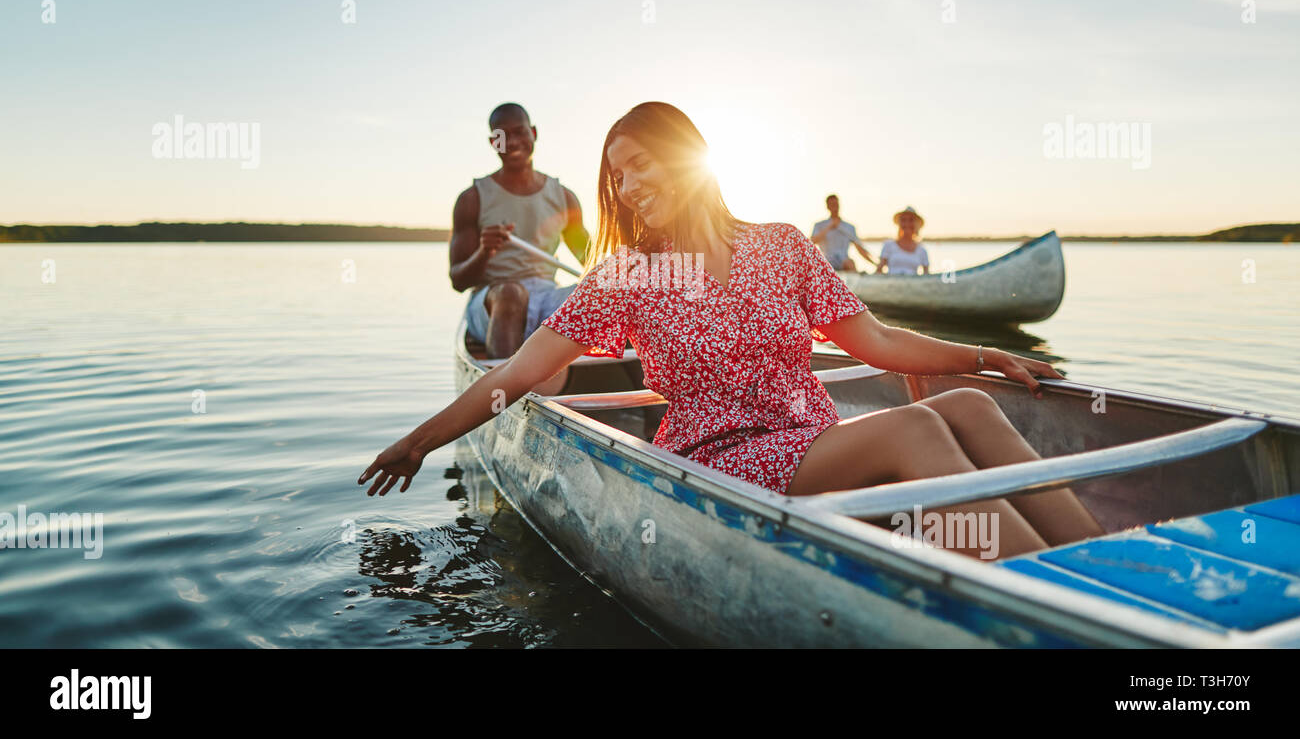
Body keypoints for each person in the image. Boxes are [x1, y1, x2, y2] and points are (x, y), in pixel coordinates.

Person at [363, 102, 1102, 561]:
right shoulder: (631, 274)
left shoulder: (781, 243)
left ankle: (1099, 566)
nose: (624, 187)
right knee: (913, 432)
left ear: (688, 161)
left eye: (639, 165)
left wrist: (980, 354)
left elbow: (874, 340)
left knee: (971, 405)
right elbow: (516, 374)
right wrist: (420, 440)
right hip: (718, 461)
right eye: (615, 176)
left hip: (807, 438)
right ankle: (1068, 612)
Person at [449, 103, 589, 360]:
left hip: (546, 297)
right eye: (501, 136)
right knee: (511, 294)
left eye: (519, 132)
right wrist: (484, 251)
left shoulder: (564, 197)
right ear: (493, 142)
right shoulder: (472, 198)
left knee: (603, 295)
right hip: (494, 302)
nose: (511, 142)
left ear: (533, 133)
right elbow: (458, 280)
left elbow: (590, 261)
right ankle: (501, 394)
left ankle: (643, 389)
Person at [811, 194, 876, 271]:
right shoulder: (819, 225)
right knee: (820, 265)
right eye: (832, 205)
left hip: (844, 261)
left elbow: (859, 249)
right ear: (827, 207)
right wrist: (829, 227)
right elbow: (812, 242)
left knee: (850, 263)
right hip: (827, 261)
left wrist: (875, 265)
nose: (834, 207)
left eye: (836, 204)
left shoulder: (849, 227)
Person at [876, 206, 930, 275]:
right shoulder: (889, 245)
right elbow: (879, 270)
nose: (907, 224)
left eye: (911, 220)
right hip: (891, 284)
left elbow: (926, 275)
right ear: (899, 223)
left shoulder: (922, 250)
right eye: (903, 220)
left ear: (916, 224)